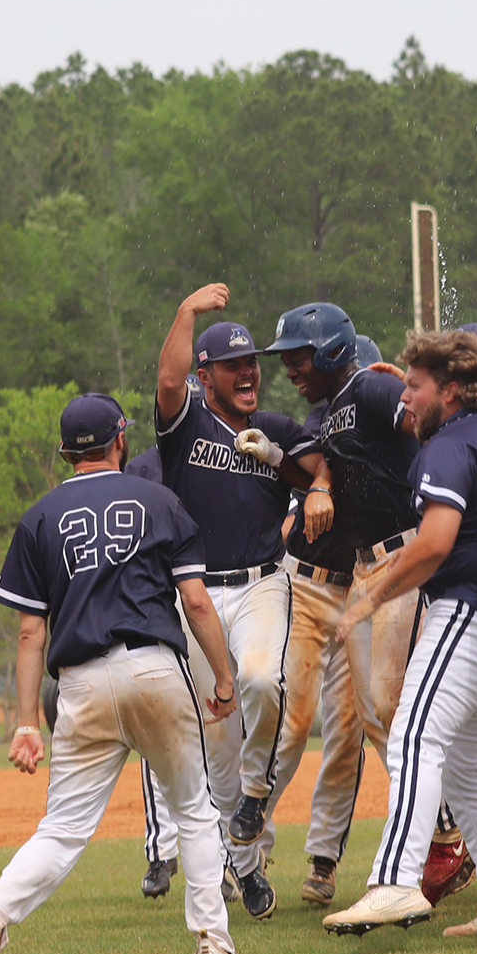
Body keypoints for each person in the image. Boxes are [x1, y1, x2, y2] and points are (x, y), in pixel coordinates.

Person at [0, 394, 244, 954]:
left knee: (61, 829)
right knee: (192, 809)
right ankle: (213, 945)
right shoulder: (160, 500)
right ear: (121, 442)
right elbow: (194, 601)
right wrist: (222, 678)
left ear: (64, 452)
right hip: (154, 670)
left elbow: (31, 632)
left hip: (78, 682)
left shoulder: (39, 517)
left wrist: (28, 721)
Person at [320, 329, 477, 936]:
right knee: (466, 762)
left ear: (448, 391)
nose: (405, 398)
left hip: (472, 609)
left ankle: (395, 881)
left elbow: (434, 544)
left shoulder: (446, 446)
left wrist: (368, 599)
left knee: (411, 738)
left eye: (415, 386)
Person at [267, 303, 470, 902]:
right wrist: (305, 473)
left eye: (299, 357)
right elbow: (331, 463)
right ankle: (443, 829)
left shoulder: (372, 386)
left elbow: (425, 425)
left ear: (332, 350)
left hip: (404, 554)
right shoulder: (332, 410)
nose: (290, 370)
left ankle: (448, 827)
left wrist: (404, 393)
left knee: (387, 697)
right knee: (374, 712)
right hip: (364, 568)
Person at [152, 284, 316, 920]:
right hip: (197, 594)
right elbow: (167, 382)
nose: (249, 372)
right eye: (234, 365)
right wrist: (186, 311)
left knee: (258, 680)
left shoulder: (273, 427)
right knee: (218, 737)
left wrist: (278, 457)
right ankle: (245, 867)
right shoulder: (186, 421)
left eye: (253, 364)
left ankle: (254, 796)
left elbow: (318, 475)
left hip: (261, 581)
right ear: (206, 374)